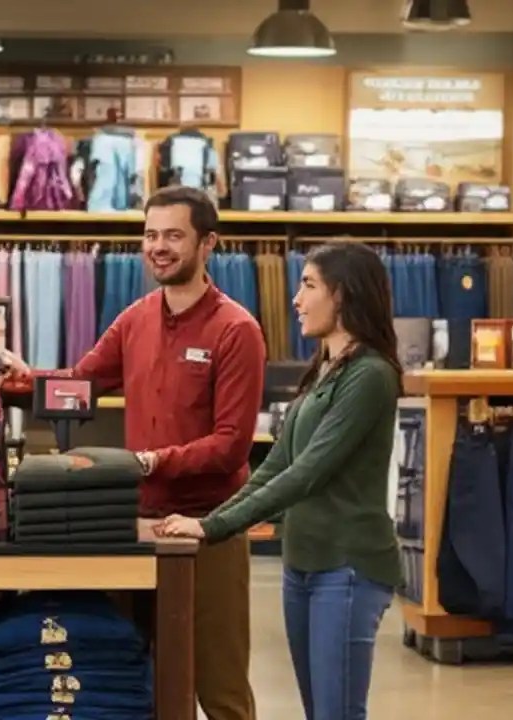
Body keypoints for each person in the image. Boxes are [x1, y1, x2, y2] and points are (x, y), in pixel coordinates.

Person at [160, 242, 404, 720]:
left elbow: (308, 472)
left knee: (336, 713)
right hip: (304, 564)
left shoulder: (370, 376)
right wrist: (209, 522)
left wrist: (212, 527)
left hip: (347, 567)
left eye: (309, 285)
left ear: (343, 295)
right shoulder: (323, 374)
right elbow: (275, 466)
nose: (296, 299)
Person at [73, 185, 265, 720]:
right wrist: (18, 377)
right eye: (151, 235)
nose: (159, 247)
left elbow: (231, 444)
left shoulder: (237, 330)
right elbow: (79, 383)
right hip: (139, 525)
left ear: (208, 244)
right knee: (139, 680)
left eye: (174, 236)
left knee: (220, 685)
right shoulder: (134, 319)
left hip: (210, 528)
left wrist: (153, 461)